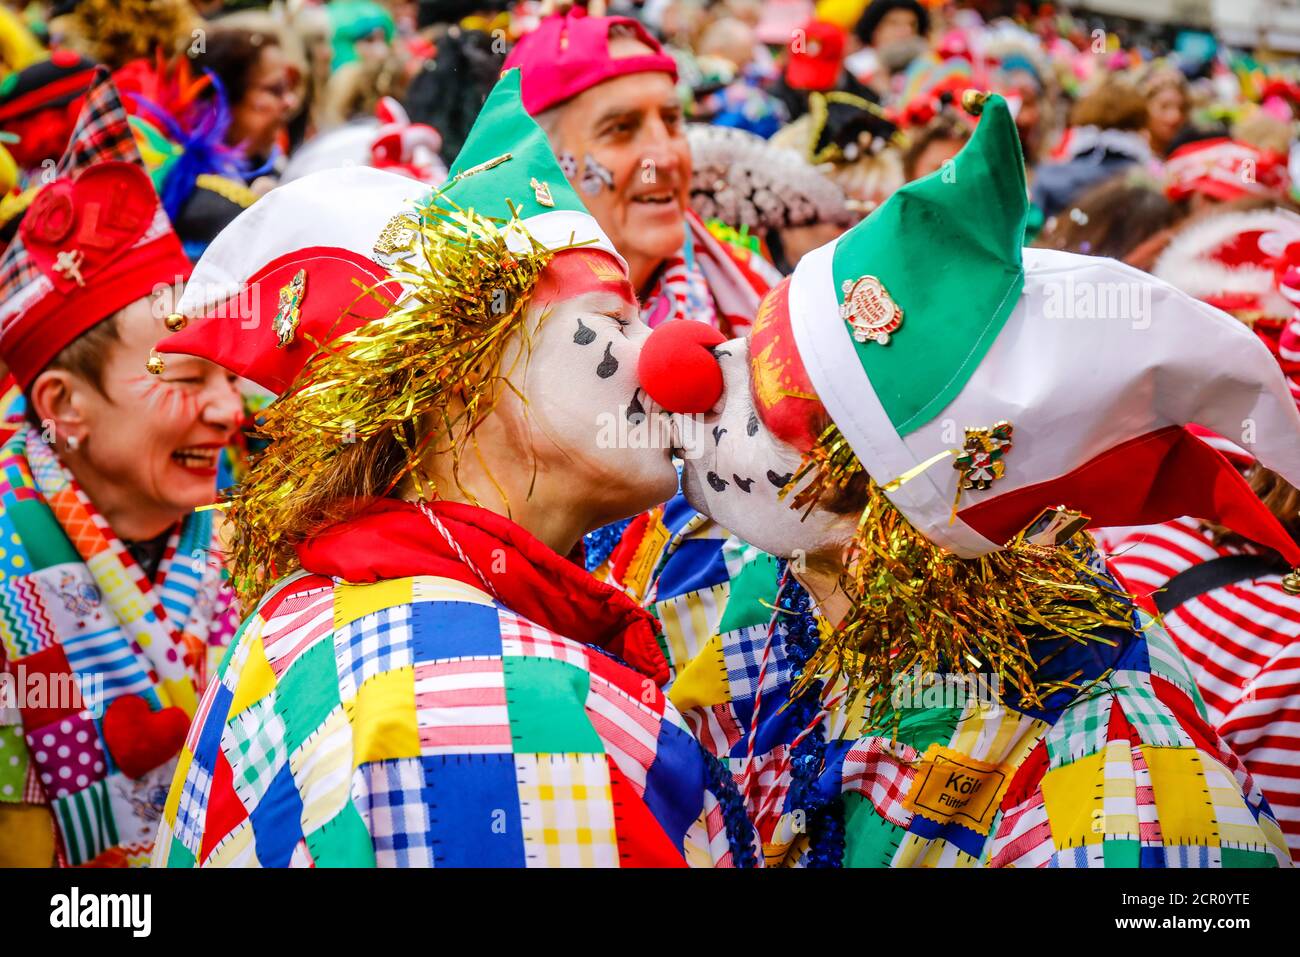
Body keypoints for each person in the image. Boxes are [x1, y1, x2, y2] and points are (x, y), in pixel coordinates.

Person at [625, 91, 1297, 867]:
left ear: (886, 522)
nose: (687, 373)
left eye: (768, 413)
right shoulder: (788, 590)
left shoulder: (1123, 805)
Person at [150, 70, 751, 869]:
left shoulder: (332, 600)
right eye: (611, 322)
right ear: (466, 378)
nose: (673, 359)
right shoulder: (487, 706)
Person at [0, 70, 241, 867]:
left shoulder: (255, 536)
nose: (229, 411)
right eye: (181, 375)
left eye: (226, 372)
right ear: (64, 406)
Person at [504, 8, 771, 337]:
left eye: (672, 120)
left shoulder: (761, 293)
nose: (666, 157)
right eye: (620, 128)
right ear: (539, 163)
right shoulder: (480, 338)